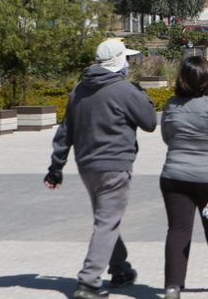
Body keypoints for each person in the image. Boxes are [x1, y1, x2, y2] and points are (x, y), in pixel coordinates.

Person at [44, 39, 157, 299]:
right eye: (126, 59)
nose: (128, 64)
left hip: (87, 166)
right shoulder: (124, 90)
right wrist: (141, 95)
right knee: (107, 221)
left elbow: (65, 131)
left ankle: (120, 270)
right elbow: (150, 122)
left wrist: (56, 167)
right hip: (115, 165)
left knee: (106, 218)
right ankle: (88, 282)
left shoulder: (79, 90)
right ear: (118, 61)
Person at [159, 56, 208, 299]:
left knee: (178, 230)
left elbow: (167, 136)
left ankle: (172, 286)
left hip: (173, 175)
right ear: (206, 80)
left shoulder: (171, 104)